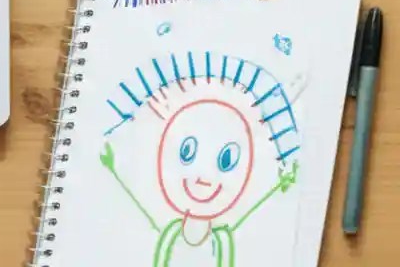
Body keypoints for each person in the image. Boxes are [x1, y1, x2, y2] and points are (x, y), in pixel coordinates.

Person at [100, 84, 298, 266]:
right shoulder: (171, 233)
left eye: (226, 161)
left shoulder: (221, 240)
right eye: (186, 153)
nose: (203, 177)